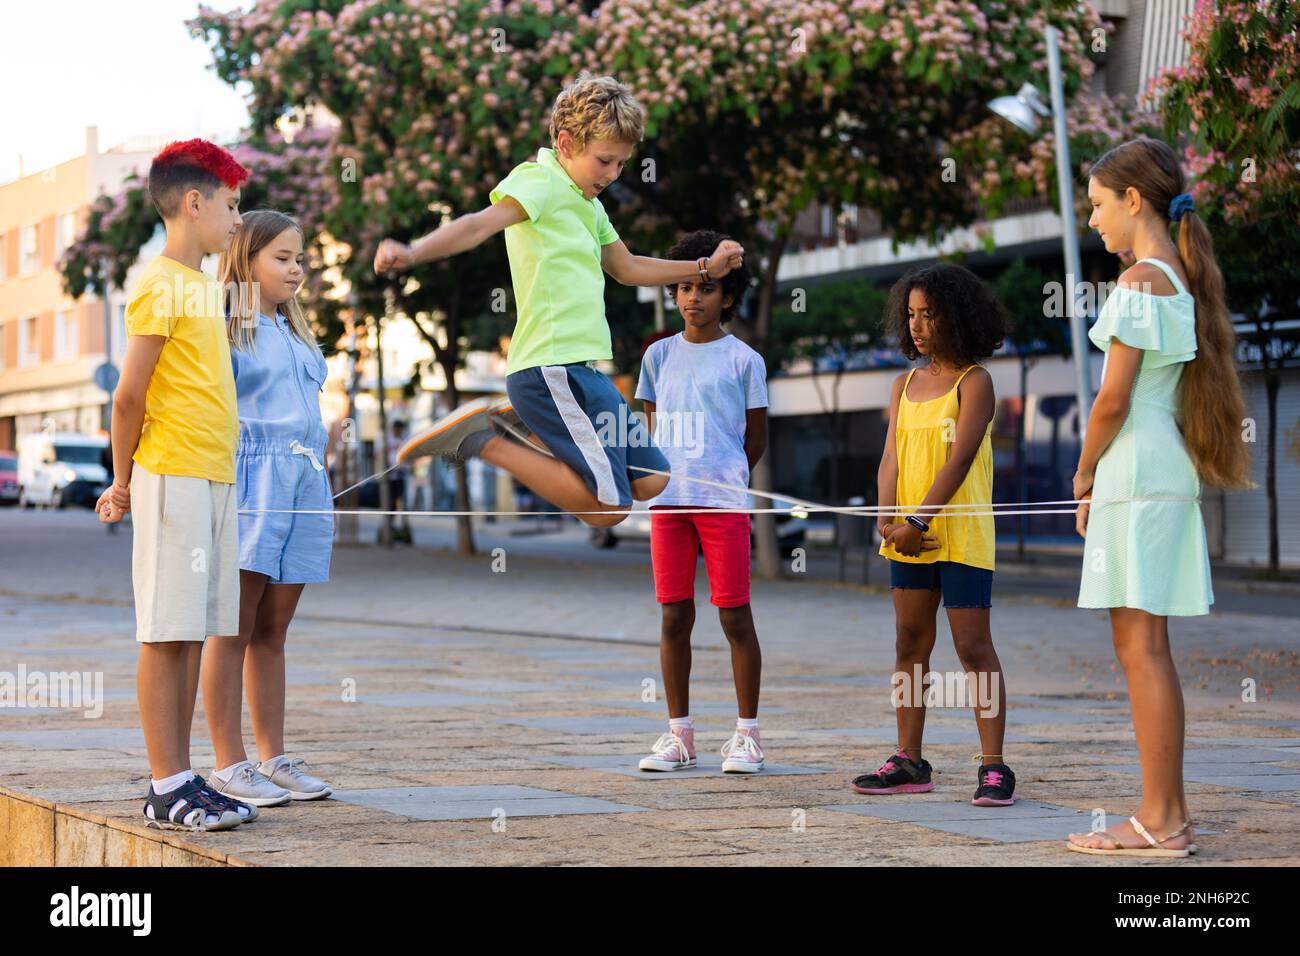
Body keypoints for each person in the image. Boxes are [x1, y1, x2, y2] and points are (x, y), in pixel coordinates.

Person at [372, 72, 744, 527]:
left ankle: (515, 419)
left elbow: (628, 269)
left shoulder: (590, 205)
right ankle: (483, 438)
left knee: (652, 478)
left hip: (583, 370)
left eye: (622, 164)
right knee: (609, 510)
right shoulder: (540, 181)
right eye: (605, 160)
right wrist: (413, 252)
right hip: (548, 367)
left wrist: (705, 268)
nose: (612, 175)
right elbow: (477, 225)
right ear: (566, 144)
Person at [1066, 137, 1252, 857]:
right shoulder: (1173, 276)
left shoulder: (1141, 282)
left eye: (1098, 205)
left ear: (1132, 201)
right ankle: (1166, 814)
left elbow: (1111, 402)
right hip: (1155, 472)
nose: (1094, 221)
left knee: (1140, 649)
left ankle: (1159, 820)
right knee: (1147, 648)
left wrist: (1082, 475)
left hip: (1135, 472)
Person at [94, 139, 255, 831]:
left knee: (191, 629)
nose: (236, 220)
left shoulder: (203, 286)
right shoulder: (160, 283)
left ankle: (186, 776)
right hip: (171, 475)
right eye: (230, 205)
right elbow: (129, 396)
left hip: (211, 475)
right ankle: (165, 787)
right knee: (165, 632)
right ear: (195, 203)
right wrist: (121, 479)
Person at [852, 263, 1015, 807]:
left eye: (930, 314)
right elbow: (890, 460)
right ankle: (909, 759)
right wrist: (886, 519)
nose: (917, 326)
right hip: (906, 534)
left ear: (958, 317)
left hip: (959, 532)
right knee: (908, 644)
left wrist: (917, 522)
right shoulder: (903, 385)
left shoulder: (977, 382)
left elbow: (961, 459)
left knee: (973, 648)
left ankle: (993, 767)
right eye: (912, 315)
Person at [201, 209, 336, 809]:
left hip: (306, 481)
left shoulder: (295, 330)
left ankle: (271, 757)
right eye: (282, 258)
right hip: (253, 480)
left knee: (273, 631)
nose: (297, 269)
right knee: (232, 626)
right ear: (246, 260)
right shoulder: (225, 329)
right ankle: (228, 764)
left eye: (299, 258)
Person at [633, 229, 769, 774]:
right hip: (669, 505)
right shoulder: (657, 355)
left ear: (728, 296)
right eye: (685, 287)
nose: (694, 297)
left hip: (723, 505)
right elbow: (645, 428)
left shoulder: (744, 360)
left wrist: (724, 478)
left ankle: (747, 735)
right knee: (673, 617)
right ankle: (679, 736)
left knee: (734, 616)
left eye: (707, 288)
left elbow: (754, 438)